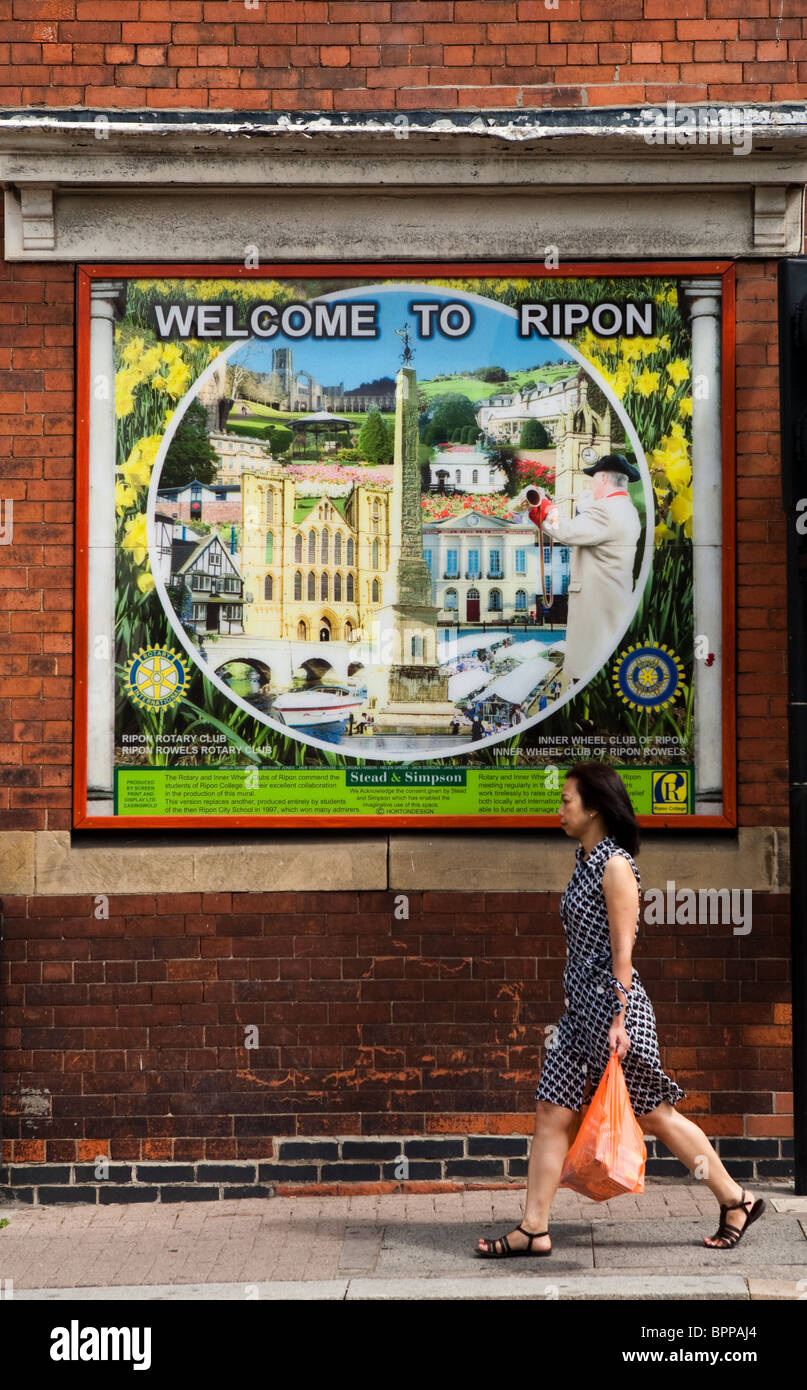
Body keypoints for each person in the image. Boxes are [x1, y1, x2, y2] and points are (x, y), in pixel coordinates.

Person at [477, 762, 766, 1258]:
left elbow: (623, 952)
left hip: (616, 1013)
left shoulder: (614, 865)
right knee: (551, 1109)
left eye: (566, 799)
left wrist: (618, 1017)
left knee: (654, 1114)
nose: (559, 807)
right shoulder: (584, 859)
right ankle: (534, 1228)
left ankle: (735, 1198)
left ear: (593, 807)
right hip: (578, 1014)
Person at [528, 454, 642, 694]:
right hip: (613, 598)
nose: (590, 486)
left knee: (587, 671)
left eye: (593, 480)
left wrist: (543, 508)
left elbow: (567, 531)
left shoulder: (605, 512)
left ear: (602, 479)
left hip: (595, 603)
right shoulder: (626, 510)